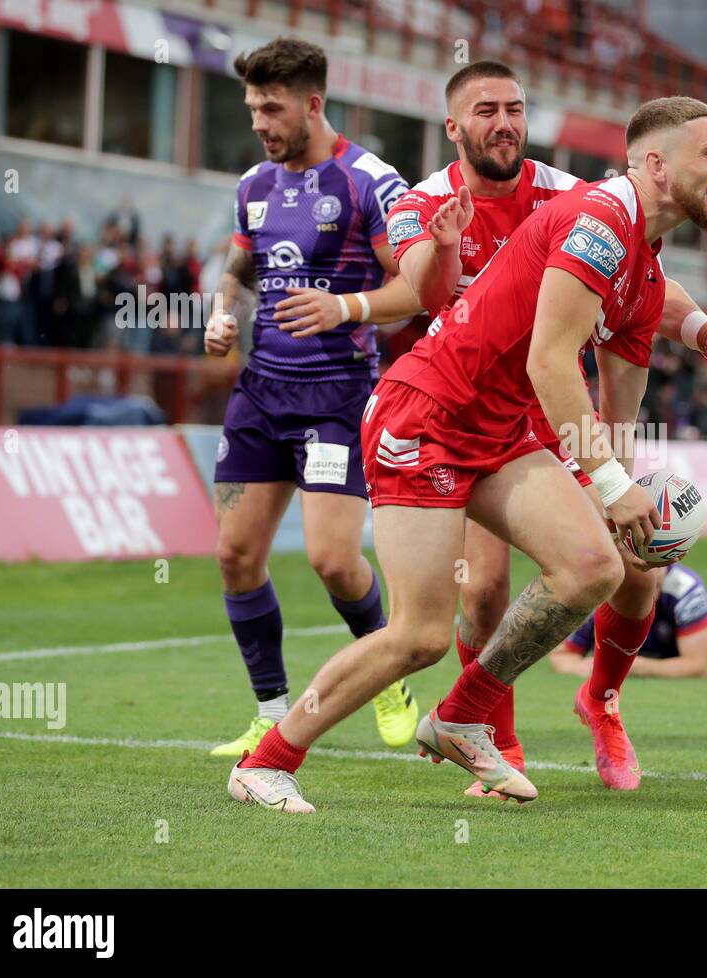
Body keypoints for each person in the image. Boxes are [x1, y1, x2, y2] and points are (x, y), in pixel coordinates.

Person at [226, 95, 707, 812]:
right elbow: (550, 365)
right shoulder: (600, 220)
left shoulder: (647, 276)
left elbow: (616, 417)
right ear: (655, 165)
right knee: (418, 636)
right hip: (427, 414)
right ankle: (268, 759)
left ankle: (464, 715)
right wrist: (607, 482)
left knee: (596, 563)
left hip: (499, 429)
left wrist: (624, 493)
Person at [201, 37, 424, 759]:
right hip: (261, 392)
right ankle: (269, 710)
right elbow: (240, 269)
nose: (260, 122)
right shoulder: (254, 185)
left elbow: (415, 290)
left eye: (272, 108)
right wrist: (222, 312)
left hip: (334, 396)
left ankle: (388, 674)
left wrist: (345, 308)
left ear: (313, 104)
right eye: (253, 108)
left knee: (332, 559)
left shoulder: (369, 181)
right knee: (236, 555)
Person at [549, 563, 707, 679]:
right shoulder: (601, 589)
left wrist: (633, 667)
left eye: (653, 565)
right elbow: (563, 656)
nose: (648, 577)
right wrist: (583, 668)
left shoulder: (686, 589)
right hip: (642, 644)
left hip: (675, 645)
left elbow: (700, 667)